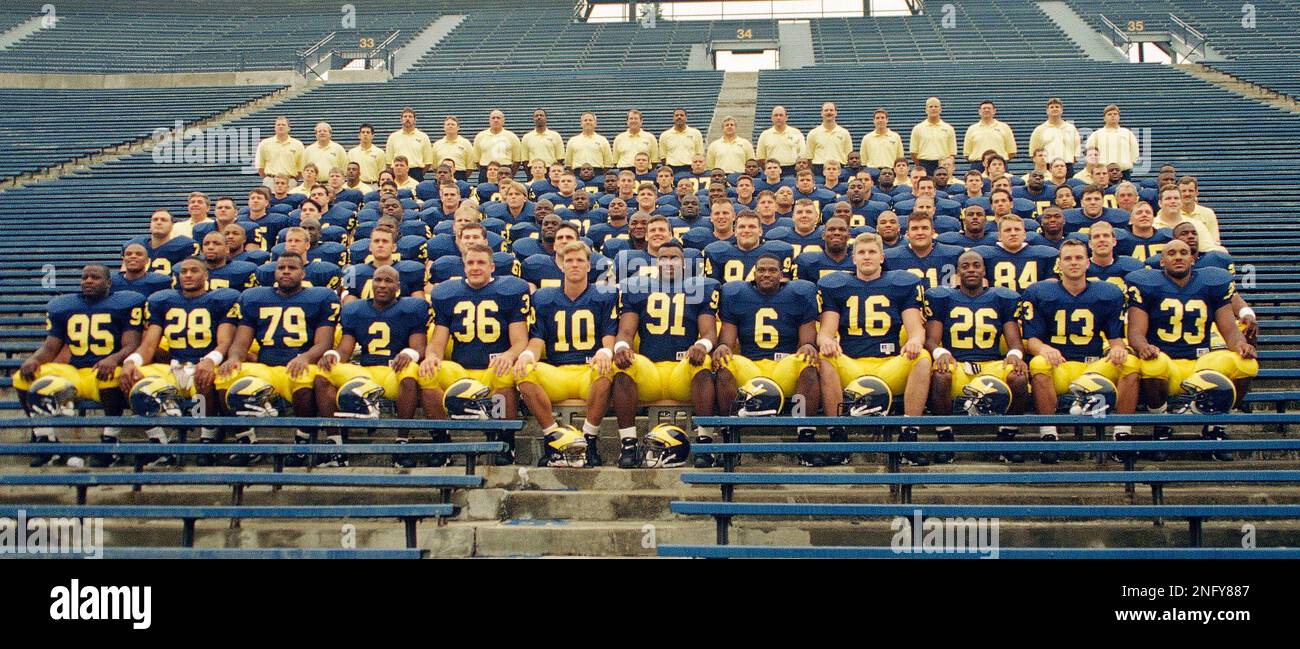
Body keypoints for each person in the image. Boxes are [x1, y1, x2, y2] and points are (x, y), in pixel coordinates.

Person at [1126, 240, 1258, 460]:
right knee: (1152, 363)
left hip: (1202, 362)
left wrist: (1241, 345)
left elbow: (1229, 329)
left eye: (1184, 252)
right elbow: (1136, 332)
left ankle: (1215, 426)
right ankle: (1161, 428)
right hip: (1166, 360)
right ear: (1162, 260)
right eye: (1172, 253)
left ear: (1193, 259)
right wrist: (1143, 347)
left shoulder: (1211, 283)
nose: (1178, 256)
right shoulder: (1147, 284)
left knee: (1246, 364)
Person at [817, 233, 931, 465]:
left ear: (882, 257)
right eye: (861, 252)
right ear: (853, 258)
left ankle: (909, 435)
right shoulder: (837, 285)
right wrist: (827, 341)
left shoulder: (901, 283)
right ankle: (837, 435)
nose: (866, 257)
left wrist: (915, 341)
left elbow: (916, 329)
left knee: (922, 357)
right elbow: (825, 332)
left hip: (889, 365)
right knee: (824, 357)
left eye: (871, 252)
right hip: (852, 365)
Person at [1021, 239, 1137, 463]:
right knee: (1037, 363)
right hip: (1060, 366)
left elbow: (1115, 338)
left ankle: (1122, 434)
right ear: (1059, 264)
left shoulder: (1108, 292)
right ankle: (1048, 435)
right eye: (1068, 258)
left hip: (1094, 366)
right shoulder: (1040, 292)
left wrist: (1118, 349)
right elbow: (1031, 340)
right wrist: (1044, 348)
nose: (1073, 263)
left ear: (1087, 262)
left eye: (1078, 258)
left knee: (1130, 363)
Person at [219, 253, 340, 466]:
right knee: (224, 377)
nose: (285, 271)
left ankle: (303, 438)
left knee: (302, 378)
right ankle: (246, 440)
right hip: (265, 366)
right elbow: (241, 342)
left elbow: (324, 342)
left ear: (303, 273)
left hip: (299, 363)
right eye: (281, 267)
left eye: (292, 268)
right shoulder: (254, 297)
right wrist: (234, 358)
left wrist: (305, 357)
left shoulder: (320, 297)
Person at [17, 265, 144, 467]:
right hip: (73, 370)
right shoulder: (64, 305)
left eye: (95, 277)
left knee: (114, 376)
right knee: (23, 377)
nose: (88, 281)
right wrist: (34, 359)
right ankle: (45, 439)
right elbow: (50, 348)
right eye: (84, 277)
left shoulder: (125, 304)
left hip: (103, 369)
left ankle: (110, 440)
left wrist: (114, 358)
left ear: (109, 283)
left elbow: (132, 344)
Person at [119, 258, 241, 463]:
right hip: (174, 367)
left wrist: (210, 360)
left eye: (194, 271)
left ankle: (208, 435)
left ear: (206, 276)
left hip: (203, 365)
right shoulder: (163, 301)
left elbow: (225, 342)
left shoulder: (220, 300)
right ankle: (159, 442)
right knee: (131, 378)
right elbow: (149, 345)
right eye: (183, 271)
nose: (188, 275)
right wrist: (132, 361)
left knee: (207, 380)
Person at [612, 241, 721, 466]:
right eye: (663, 258)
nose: (669, 262)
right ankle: (629, 445)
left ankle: (705, 443)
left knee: (703, 364)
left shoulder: (700, 288)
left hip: (681, 371)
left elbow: (710, 332)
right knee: (622, 367)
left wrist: (702, 346)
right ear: (655, 262)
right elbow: (625, 331)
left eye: (674, 258)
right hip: (650, 370)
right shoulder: (637, 288)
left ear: (684, 263)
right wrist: (621, 347)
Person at [514, 241, 619, 467]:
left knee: (607, 369)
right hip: (557, 372)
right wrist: (527, 356)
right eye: (569, 260)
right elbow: (536, 341)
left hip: (588, 371)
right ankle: (553, 438)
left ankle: (589, 440)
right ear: (560, 265)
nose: (574, 265)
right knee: (523, 372)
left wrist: (605, 352)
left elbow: (609, 339)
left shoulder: (604, 295)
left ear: (589, 266)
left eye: (580, 260)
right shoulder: (544, 298)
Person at [314, 265, 429, 466]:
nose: (382, 285)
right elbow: (345, 349)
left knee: (411, 370)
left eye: (388, 281)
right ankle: (335, 443)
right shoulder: (355, 309)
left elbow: (419, 346)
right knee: (324, 373)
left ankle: (402, 441)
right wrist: (332, 354)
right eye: (378, 280)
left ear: (398, 286)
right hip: (364, 371)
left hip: (393, 371)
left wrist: (409, 354)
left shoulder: (412, 308)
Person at [713, 254, 822, 465]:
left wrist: (809, 345)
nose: (766, 274)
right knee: (724, 364)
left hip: (784, 365)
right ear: (754, 274)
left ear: (782, 275)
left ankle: (805, 437)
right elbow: (727, 338)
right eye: (761, 270)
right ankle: (731, 438)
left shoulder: (799, 294)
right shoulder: (737, 294)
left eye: (772, 270)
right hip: (750, 366)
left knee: (808, 364)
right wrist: (723, 346)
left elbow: (807, 338)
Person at [923, 250, 1029, 465]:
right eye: (965, 266)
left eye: (976, 265)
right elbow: (931, 340)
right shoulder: (942, 298)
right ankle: (945, 438)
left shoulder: (1001, 298)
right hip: (958, 363)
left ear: (984, 270)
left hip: (991, 364)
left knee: (1019, 377)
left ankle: (1006, 440)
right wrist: (941, 352)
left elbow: (1014, 341)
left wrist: (1015, 354)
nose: (971, 269)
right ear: (957, 272)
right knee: (940, 375)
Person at [702, 209, 794, 283]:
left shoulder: (777, 252)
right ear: (735, 231)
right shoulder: (717, 252)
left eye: (752, 227)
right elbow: (713, 289)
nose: (746, 230)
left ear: (760, 231)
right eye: (742, 227)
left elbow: (783, 289)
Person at [973, 215, 1060, 292]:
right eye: (1008, 230)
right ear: (999, 236)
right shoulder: (985, 255)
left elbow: (1051, 289)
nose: (1013, 233)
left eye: (1017, 229)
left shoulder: (1043, 254)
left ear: (1024, 234)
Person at [883, 212, 963, 289]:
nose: (920, 233)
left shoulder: (954, 255)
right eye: (914, 229)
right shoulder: (890, 258)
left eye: (925, 228)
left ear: (933, 233)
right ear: (907, 234)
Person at [130, 210, 199, 276]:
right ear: (150, 225)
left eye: (163, 220)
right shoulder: (136, 245)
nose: (158, 222)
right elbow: (125, 274)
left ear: (172, 226)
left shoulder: (184, 246)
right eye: (155, 220)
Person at [1085, 104, 1140, 179]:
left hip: (1123, 172)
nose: (1113, 116)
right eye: (1109, 114)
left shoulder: (1127, 133)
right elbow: (1089, 152)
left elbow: (1135, 151)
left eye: (1115, 114)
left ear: (1119, 117)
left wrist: (1128, 163)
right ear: (1104, 118)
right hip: (1103, 173)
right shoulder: (1096, 134)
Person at [1029, 98, 1080, 177]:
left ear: (1062, 110)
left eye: (1057, 107)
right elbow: (1033, 151)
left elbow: (1077, 147)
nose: (1054, 109)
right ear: (1047, 111)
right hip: (1047, 166)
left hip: (1067, 165)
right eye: (1052, 107)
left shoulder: (1071, 128)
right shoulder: (1039, 130)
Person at [795, 215, 854, 280]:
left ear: (849, 236)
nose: (837, 233)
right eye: (831, 229)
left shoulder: (857, 262)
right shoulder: (807, 261)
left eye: (842, 230)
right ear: (823, 235)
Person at [963, 100, 1016, 170]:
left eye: (989, 108)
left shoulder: (1004, 127)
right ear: (979, 111)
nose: (986, 110)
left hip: (999, 164)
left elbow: (1011, 151)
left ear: (994, 111)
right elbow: (967, 153)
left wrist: (998, 161)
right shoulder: (972, 129)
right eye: (984, 108)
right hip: (978, 164)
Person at [909, 97, 956, 176]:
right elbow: (913, 153)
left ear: (940, 109)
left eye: (936, 106)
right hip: (925, 164)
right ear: (926, 110)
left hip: (942, 165)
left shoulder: (948, 128)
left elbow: (952, 153)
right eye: (930, 107)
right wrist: (921, 165)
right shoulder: (918, 128)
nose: (933, 109)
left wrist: (945, 165)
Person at [386, 107, 434, 181]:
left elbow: (428, 162)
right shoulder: (393, 137)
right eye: (405, 116)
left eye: (410, 116)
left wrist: (420, 173)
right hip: (398, 173)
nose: (407, 119)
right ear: (401, 119)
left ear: (415, 120)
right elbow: (389, 162)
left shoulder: (423, 137)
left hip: (416, 173)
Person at [756, 106, 805, 175]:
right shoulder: (765, 135)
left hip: (791, 170)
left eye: (781, 115)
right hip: (772, 170)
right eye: (776, 115)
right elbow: (760, 158)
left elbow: (802, 154)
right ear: (772, 118)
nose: (778, 118)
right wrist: (770, 170)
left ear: (786, 118)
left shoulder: (796, 133)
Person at [255, 116, 304, 185]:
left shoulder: (298, 145)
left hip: (290, 181)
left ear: (289, 128)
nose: (281, 126)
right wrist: (268, 179)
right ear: (274, 128)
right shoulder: (265, 143)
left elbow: (301, 167)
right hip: (270, 181)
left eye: (283, 125)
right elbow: (260, 166)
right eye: (278, 125)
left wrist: (293, 180)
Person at [806, 102, 852, 176]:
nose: (829, 112)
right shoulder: (813, 133)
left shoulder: (844, 133)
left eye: (831, 110)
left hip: (839, 168)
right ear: (821, 113)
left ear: (836, 113)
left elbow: (849, 154)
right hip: (819, 169)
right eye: (826, 110)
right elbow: (809, 157)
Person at [660, 108, 704, 173]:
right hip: (672, 169)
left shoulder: (696, 133)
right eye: (677, 115)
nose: (679, 117)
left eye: (682, 115)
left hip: (690, 168)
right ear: (673, 118)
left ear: (686, 118)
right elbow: (663, 156)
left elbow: (699, 154)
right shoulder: (665, 135)